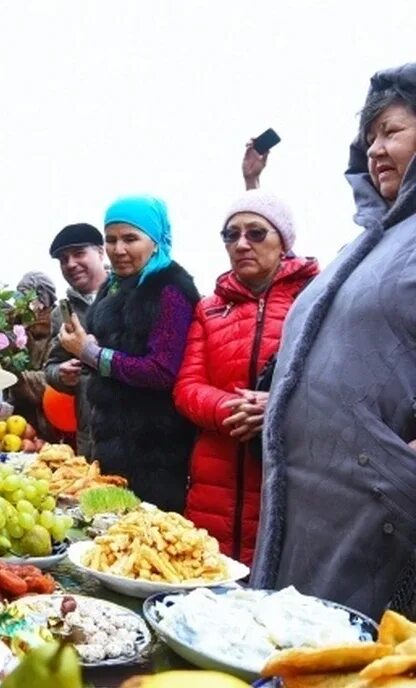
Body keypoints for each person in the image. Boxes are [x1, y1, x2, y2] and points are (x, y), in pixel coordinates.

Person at [251, 62, 416, 618]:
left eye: (391, 131)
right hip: (316, 509)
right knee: (300, 665)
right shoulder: (368, 244)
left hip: (383, 513)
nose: (374, 149)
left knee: (363, 686)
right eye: (368, 138)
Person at [173, 191, 318, 565]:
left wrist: (279, 407)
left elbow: (337, 386)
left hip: (288, 478)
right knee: (208, 587)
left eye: (256, 233)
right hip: (213, 484)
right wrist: (231, 408)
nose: (241, 244)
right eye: (230, 234)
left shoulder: (316, 300)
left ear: (283, 242)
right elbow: (187, 386)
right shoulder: (210, 308)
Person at [58, 197, 199, 512]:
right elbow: (112, 351)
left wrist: (92, 354)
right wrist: (80, 357)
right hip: (110, 446)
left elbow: (162, 371)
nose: (118, 249)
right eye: (111, 240)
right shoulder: (114, 287)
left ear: (156, 241)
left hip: (155, 455)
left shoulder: (169, 289)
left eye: (130, 238)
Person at [43, 223, 108, 455]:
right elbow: (49, 368)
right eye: (63, 259)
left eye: (79, 253)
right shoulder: (61, 312)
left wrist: (95, 351)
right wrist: (61, 374)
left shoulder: (127, 295)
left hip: (132, 436)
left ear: (101, 252)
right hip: (88, 439)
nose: (70, 264)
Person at [10, 271, 59, 441]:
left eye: (28, 299)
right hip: (14, 428)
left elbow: (53, 379)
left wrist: (15, 378)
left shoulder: (59, 328)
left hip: (50, 428)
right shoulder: (16, 328)